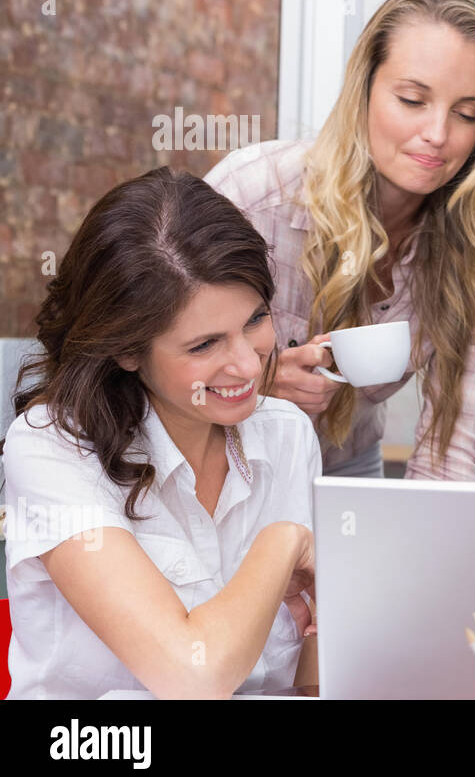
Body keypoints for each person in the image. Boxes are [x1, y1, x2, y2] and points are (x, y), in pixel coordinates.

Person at [0, 169, 319, 699]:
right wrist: (283, 541)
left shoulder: (287, 436)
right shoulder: (51, 450)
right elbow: (192, 676)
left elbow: (314, 676)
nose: (246, 365)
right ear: (127, 350)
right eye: (204, 345)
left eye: (256, 319)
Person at [207, 0, 475, 479]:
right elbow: (147, 368)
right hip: (221, 463)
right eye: (412, 99)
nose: (438, 134)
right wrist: (257, 383)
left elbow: (450, 456)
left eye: (467, 114)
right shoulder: (251, 195)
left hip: (344, 465)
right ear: (365, 90)